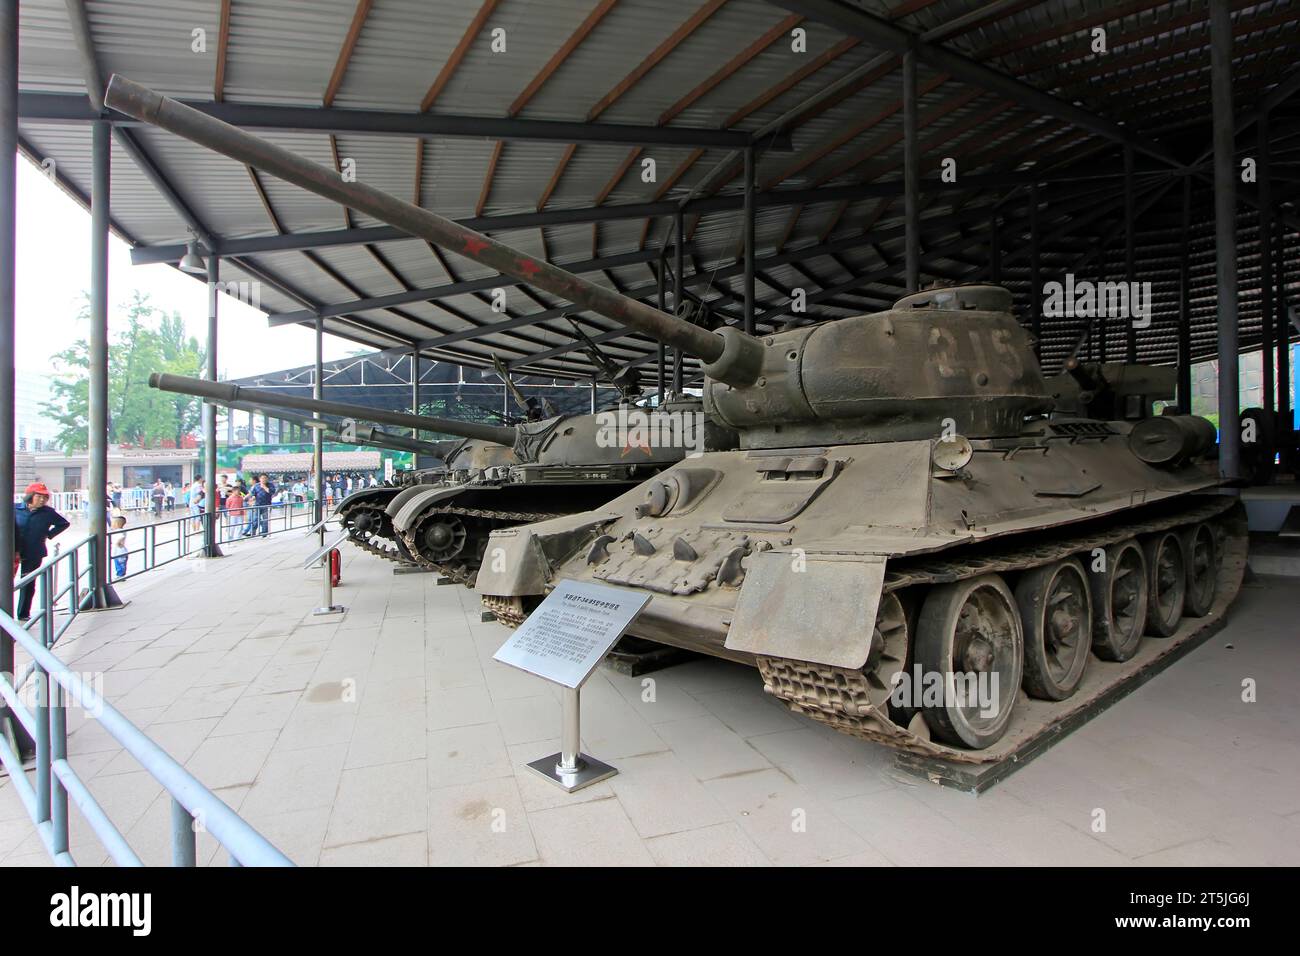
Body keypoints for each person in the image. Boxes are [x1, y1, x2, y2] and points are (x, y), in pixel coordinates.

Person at [14, 482, 71, 622]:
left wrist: (49, 534)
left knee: (28, 583)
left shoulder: (48, 512)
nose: (42, 500)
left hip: (34, 552)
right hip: (13, 551)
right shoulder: (14, 509)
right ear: (30, 496)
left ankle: (23, 613)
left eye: (45, 497)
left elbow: (64, 524)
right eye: (38, 496)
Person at [110, 514, 129, 579]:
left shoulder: (119, 531)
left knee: (119, 564)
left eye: (112, 523)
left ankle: (120, 576)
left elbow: (122, 536)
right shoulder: (121, 531)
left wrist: (118, 542)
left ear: (117, 524)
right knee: (120, 563)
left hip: (120, 551)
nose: (111, 525)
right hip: (119, 551)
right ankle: (121, 575)